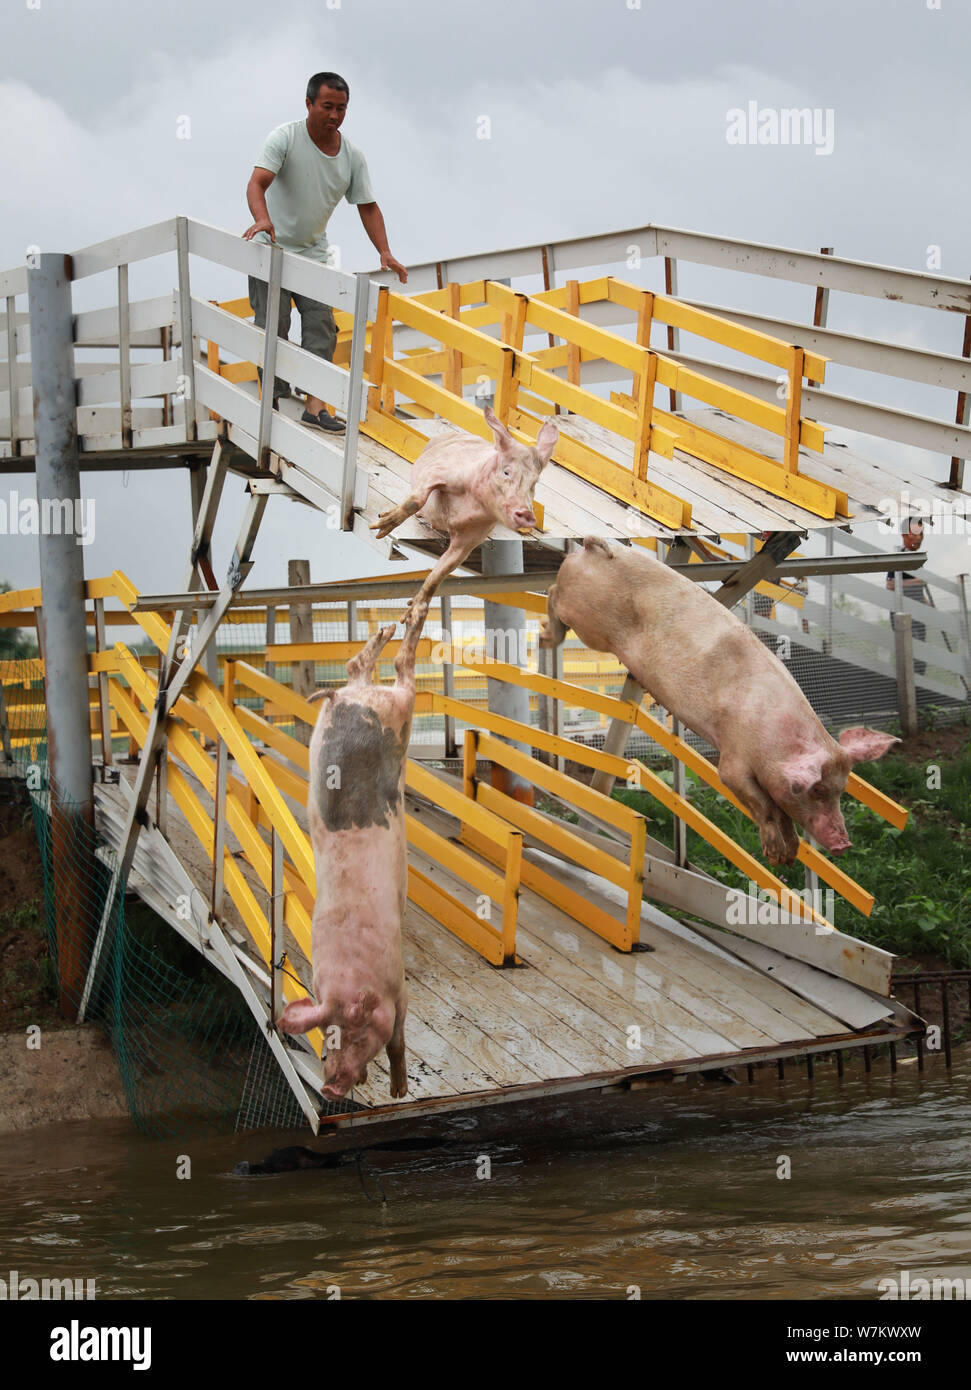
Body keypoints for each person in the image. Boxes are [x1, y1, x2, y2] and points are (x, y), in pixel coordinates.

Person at [242, 71, 408, 433]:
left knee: (321, 327)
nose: (334, 115)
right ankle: (272, 396)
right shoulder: (284, 138)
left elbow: (367, 205)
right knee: (274, 323)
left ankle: (315, 407)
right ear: (309, 104)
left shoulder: (351, 156)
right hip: (269, 246)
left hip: (313, 253)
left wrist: (385, 251)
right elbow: (257, 182)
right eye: (327, 106)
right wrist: (262, 219)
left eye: (342, 108)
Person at [886, 516, 930, 675]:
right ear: (904, 535)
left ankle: (918, 682)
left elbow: (915, 587)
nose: (919, 538)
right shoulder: (900, 556)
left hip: (918, 613)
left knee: (921, 654)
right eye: (915, 533)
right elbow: (890, 584)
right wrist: (917, 582)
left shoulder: (917, 559)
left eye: (921, 534)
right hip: (904, 614)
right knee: (909, 652)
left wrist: (926, 602)